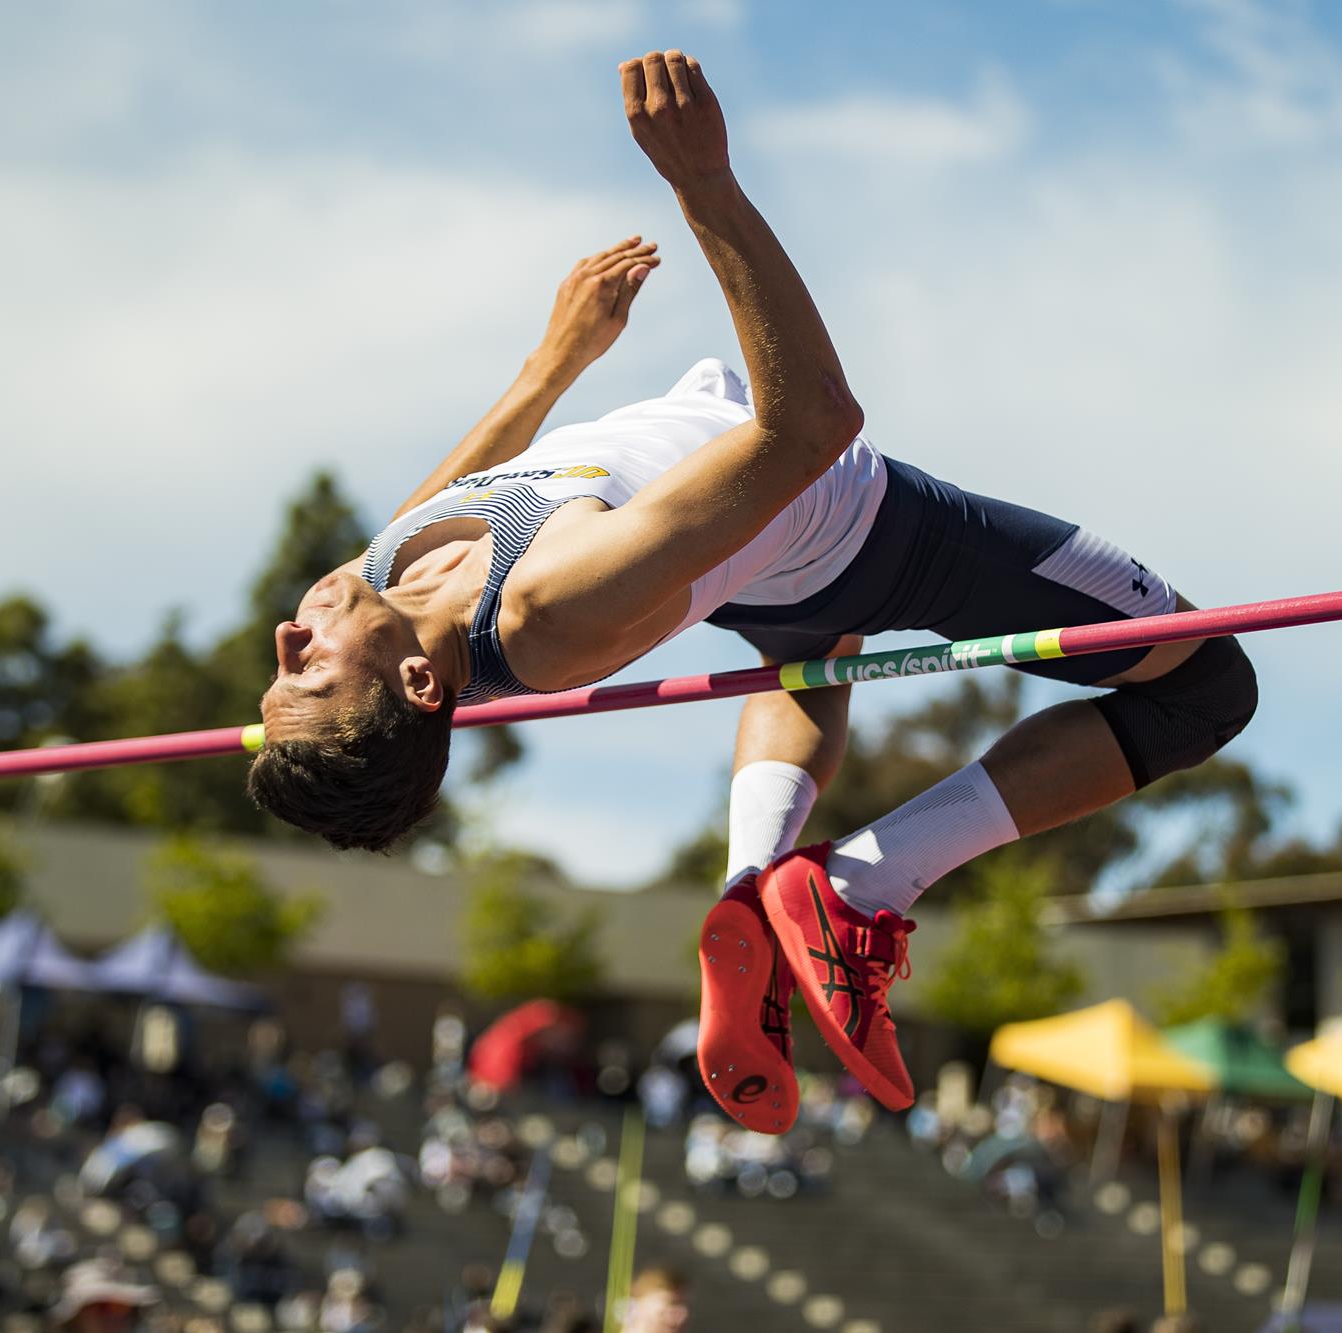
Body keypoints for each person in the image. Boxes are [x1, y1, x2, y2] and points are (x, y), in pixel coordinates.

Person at [250, 51, 1257, 1133]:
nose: (286, 641)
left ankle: (751, 887)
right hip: (861, 527)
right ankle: (865, 885)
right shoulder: (547, 607)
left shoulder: (373, 587)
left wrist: (554, 363)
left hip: (760, 573)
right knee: (1204, 686)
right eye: (307, 676)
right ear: (417, 681)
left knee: (809, 654)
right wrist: (705, 185)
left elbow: (452, 492)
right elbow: (812, 423)